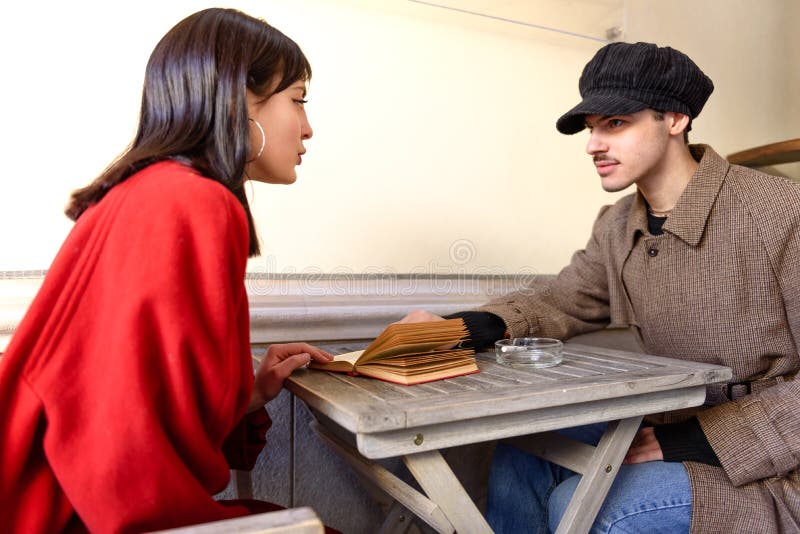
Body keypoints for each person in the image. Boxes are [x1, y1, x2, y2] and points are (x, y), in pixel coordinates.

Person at [400, 42, 800, 533]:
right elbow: (559, 301)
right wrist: (454, 329)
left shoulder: (781, 211)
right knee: (521, 449)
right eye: (591, 128)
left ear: (674, 119)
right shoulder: (618, 225)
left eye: (615, 123)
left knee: (585, 505)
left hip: (778, 462)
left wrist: (701, 441)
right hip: (680, 424)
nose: (593, 145)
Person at [0, 8, 336, 533]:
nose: (309, 128)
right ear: (241, 96)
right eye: (298, 99)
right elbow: (119, 445)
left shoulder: (152, 190)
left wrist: (249, 392)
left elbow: (129, 392)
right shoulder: (193, 202)